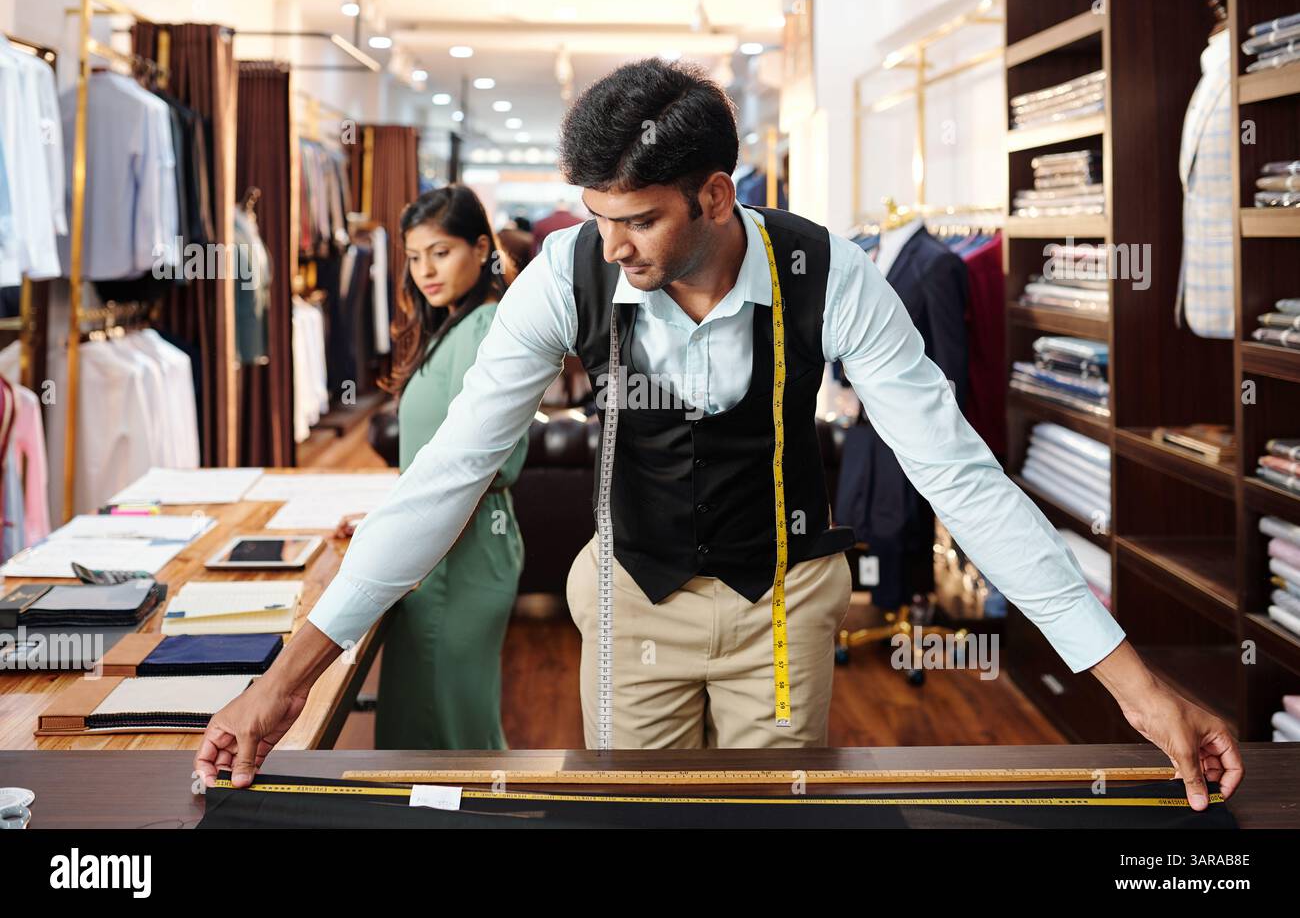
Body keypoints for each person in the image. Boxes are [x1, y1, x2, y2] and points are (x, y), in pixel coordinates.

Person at [196, 58, 1242, 811]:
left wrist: (1136, 689)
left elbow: (960, 476)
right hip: (626, 597)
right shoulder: (569, 273)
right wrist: (286, 679)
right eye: (595, 217)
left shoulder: (831, 275)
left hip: (781, 601)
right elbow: (448, 471)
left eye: (637, 220)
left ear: (712, 194)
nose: (611, 247)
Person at [336, 185, 527, 749]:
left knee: (456, 730)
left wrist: (398, 521)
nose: (425, 271)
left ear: (479, 247)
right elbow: (436, 455)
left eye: (440, 253)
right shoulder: (452, 324)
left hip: (460, 555)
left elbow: (481, 462)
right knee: (424, 720)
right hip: (435, 546)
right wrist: (388, 515)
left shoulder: (485, 326)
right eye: (415, 257)